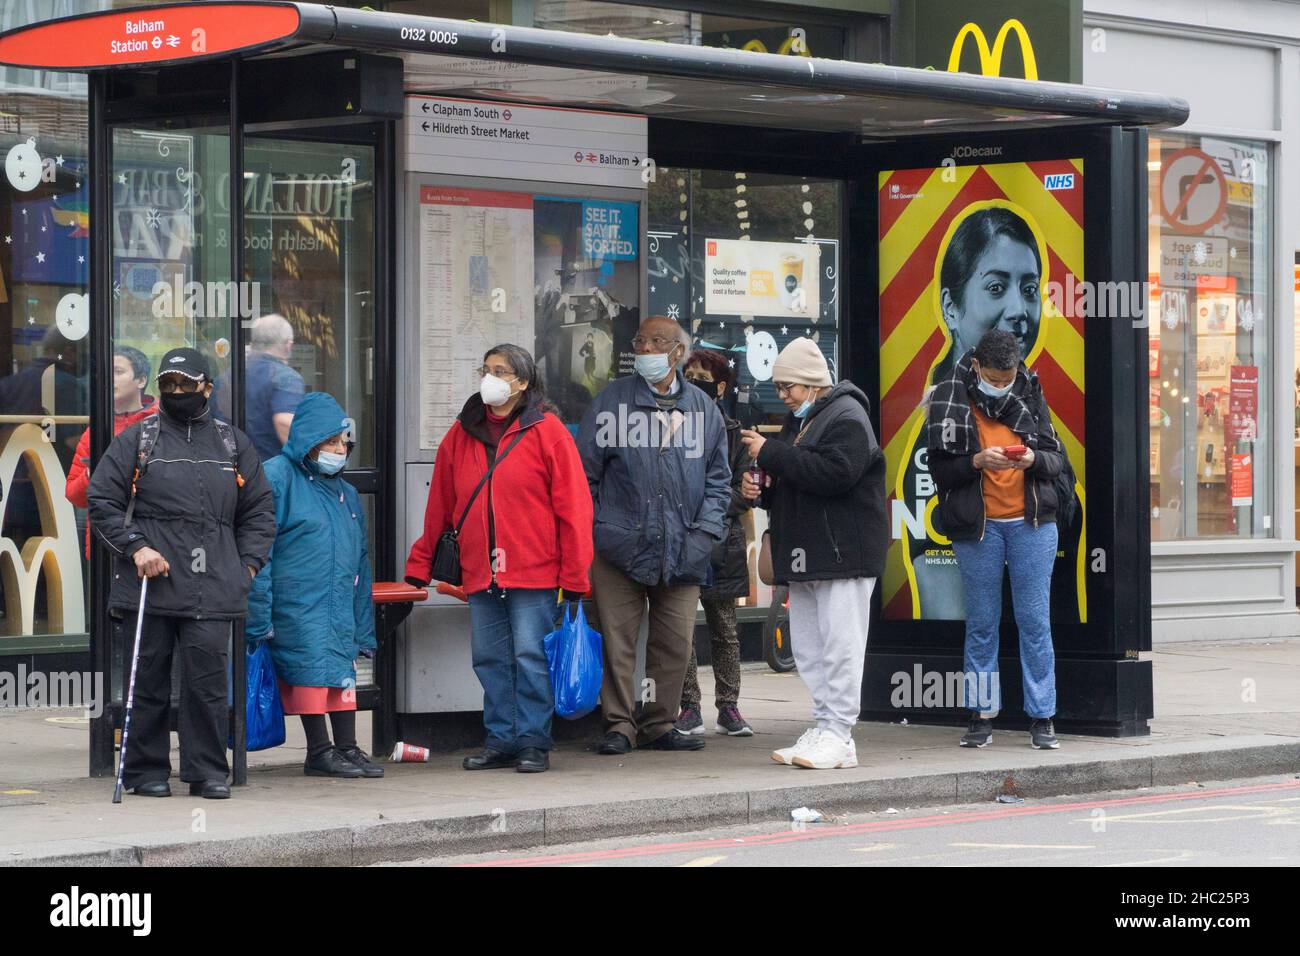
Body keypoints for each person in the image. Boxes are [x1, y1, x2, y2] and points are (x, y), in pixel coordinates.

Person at [88, 347, 275, 799]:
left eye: (185, 384)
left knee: (207, 684)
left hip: (214, 585)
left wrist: (245, 566)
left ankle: (207, 770)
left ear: (206, 388)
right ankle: (145, 770)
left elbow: (260, 512)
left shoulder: (233, 443)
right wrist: (136, 548)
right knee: (148, 679)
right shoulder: (138, 439)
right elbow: (102, 502)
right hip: (150, 584)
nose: (175, 392)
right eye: (168, 384)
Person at [406, 344, 592, 773]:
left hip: (534, 567)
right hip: (480, 568)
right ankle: (501, 739)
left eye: (502, 371)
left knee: (530, 656)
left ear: (523, 383)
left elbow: (575, 509)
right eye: (486, 369)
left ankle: (532, 741)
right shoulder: (461, 432)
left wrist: (576, 574)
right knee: (489, 658)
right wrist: (420, 564)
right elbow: (441, 504)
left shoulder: (549, 432)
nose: (490, 377)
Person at [577, 315, 731, 755]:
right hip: (619, 546)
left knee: (674, 643)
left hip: (687, 547)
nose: (645, 349)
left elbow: (720, 480)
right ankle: (619, 726)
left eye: (656, 342)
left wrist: (705, 534)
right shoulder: (611, 403)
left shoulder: (703, 409)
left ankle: (660, 724)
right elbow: (584, 476)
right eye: (640, 341)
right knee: (618, 641)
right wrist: (600, 527)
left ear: (678, 352)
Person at [740, 337, 887, 770]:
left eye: (789, 387)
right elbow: (796, 478)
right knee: (809, 646)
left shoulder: (847, 416)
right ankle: (825, 727)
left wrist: (771, 453)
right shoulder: (802, 421)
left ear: (812, 382)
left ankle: (839, 733)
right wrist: (762, 488)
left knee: (840, 646)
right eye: (781, 387)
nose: (782, 395)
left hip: (844, 553)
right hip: (809, 554)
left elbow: (835, 474)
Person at [927, 329, 1066, 751]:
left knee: (1034, 621)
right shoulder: (950, 398)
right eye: (995, 378)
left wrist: (1032, 459)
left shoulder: (1031, 391)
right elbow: (939, 470)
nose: (1003, 385)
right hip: (979, 526)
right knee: (983, 623)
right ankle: (981, 715)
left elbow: (1057, 460)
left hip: (1032, 523)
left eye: (1008, 378)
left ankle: (1042, 716)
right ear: (976, 367)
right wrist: (974, 461)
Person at [245, 392, 380, 779]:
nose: (340, 450)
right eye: (331, 442)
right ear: (309, 440)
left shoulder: (347, 493)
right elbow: (261, 549)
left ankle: (348, 748)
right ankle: (319, 752)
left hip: (335, 599)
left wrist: (362, 620)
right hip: (297, 601)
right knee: (310, 673)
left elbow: (361, 560)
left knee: (340, 673)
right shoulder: (277, 477)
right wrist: (261, 612)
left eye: (343, 443)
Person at [676, 347, 754, 737]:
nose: (692, 384)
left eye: (701, 379)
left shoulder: (734, 432)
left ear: (720, 387)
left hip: (721, 542)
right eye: (687, 376)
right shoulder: (672, 424)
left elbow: (744, 491)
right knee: (682, 629)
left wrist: (703, 506)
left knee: (725, 629)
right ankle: (689, 706)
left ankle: (729, 706)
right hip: (683, 542)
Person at [66, 345, 157, 557]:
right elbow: (74, 495)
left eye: (118, 372)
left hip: (151, 541)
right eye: (108, 372)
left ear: (141, 380)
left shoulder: (161, 423)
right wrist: (90, 475)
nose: (111, 378)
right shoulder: (95, 430)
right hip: (104, 542)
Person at [218, 314, 305, 461]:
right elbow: (285, 422)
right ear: (288, 345)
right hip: (269, 472)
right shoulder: (285, 377)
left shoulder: (226, 377)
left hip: (228, 470)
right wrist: (307, 465)